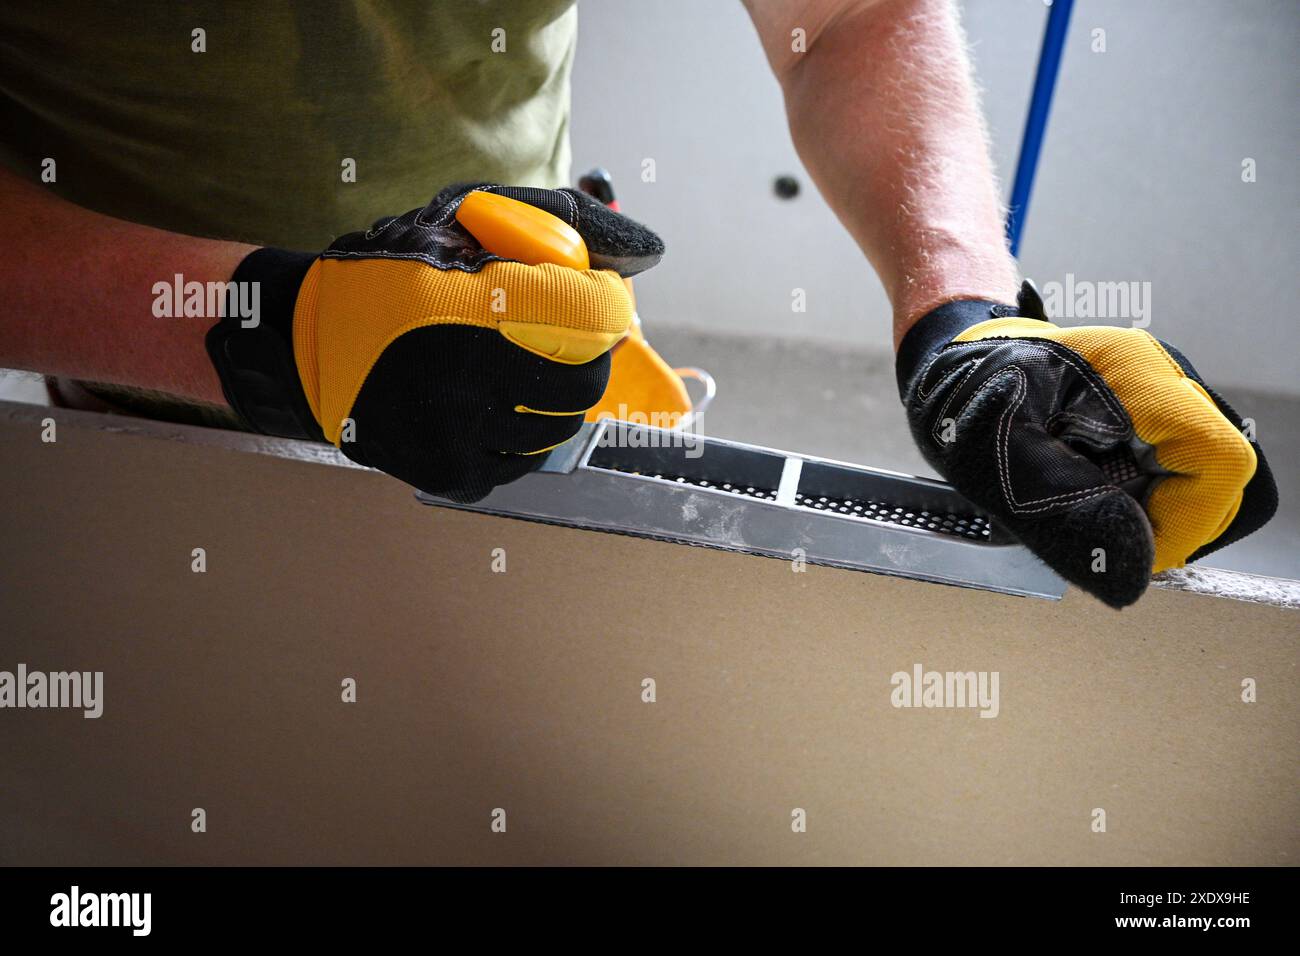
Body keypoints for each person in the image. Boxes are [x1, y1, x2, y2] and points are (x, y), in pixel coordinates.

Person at [0, 0, 1274, 606]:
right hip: (156, 408)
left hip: (524, 319)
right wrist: (270, 329)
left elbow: (843, 17)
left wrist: (961, 312)